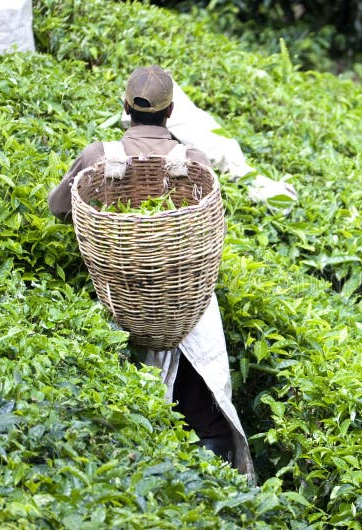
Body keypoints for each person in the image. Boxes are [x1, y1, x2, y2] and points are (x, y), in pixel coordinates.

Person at [48, 65, 255, 482]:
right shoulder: (191, 160)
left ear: (126, 108)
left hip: (121, 304)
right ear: (171, 110)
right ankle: (217, 487)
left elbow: (58, 207)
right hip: (185, 307)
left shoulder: (99, 157)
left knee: (134, 408)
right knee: (201, 410)